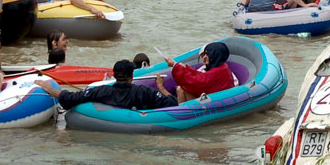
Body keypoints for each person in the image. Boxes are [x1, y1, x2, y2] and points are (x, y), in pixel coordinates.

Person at [39, 59, 178, 111]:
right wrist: (160, 86)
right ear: (132, 76)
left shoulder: (102, 91)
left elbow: (71, 97)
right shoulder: (143, 91)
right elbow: (172, 103)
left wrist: (50, 89)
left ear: (114, 75)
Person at [154, 41, 234, 104]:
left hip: (216, 103)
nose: (205, 57)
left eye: (208, 54)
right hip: (213, 99)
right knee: (181, 89)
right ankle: (180, 109)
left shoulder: (219, 71)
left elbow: (196, 82)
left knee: (182, 89)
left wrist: (175, 66)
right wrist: (185, 68)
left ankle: (180, 113)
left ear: (215, 55)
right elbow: (202, 77)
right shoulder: (221, 67)